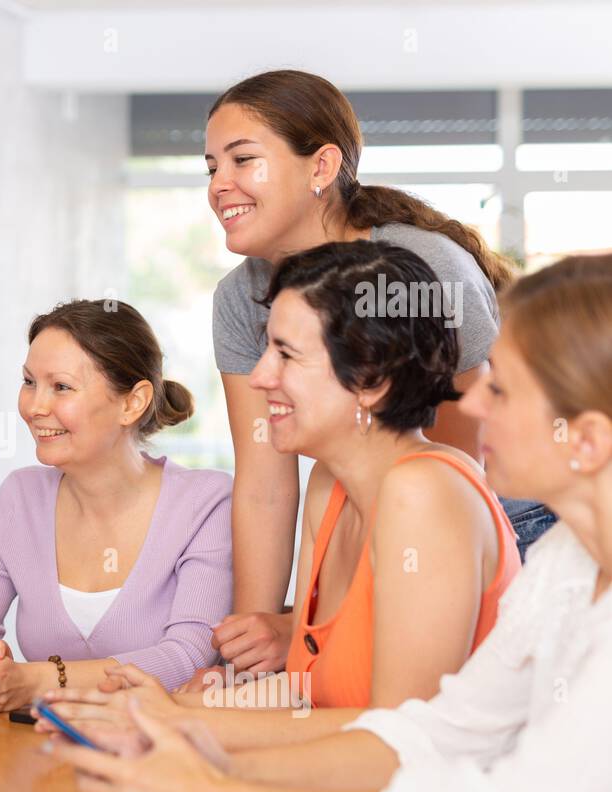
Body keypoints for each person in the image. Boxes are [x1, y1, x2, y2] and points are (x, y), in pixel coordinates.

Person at [43, 254, 612, 792]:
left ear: (585, 441)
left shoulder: (430, 493)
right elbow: (436, 732)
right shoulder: (562, 563)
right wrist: (197, 747)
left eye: (499, 387)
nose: (470, 406)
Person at [38, 240, 521, 748]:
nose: (262, 375)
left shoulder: (426, 493)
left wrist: (178, 726)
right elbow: (307, 692)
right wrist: (154, 705)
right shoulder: (330, 487)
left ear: (371, 381)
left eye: (286, 354)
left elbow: (399, 741)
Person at [205, 69, 553, 679]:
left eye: (243, 160)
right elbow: (263, 484)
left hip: (506, 519)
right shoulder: (240, 299)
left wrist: (323, 620)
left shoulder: (426, 270)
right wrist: (256, 645)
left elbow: (456, 463)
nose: (218, 185)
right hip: (374, 516)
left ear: (321, 168)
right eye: (210, 167)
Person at [0, 299, 232, 712]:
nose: (35, 407)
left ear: (132, 402)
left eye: (62, 387)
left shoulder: (206, 504)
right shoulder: (19, 500)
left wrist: (36, 680)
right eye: (29, 382)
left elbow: (187, 656)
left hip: (158, 761)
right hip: (38, 758)